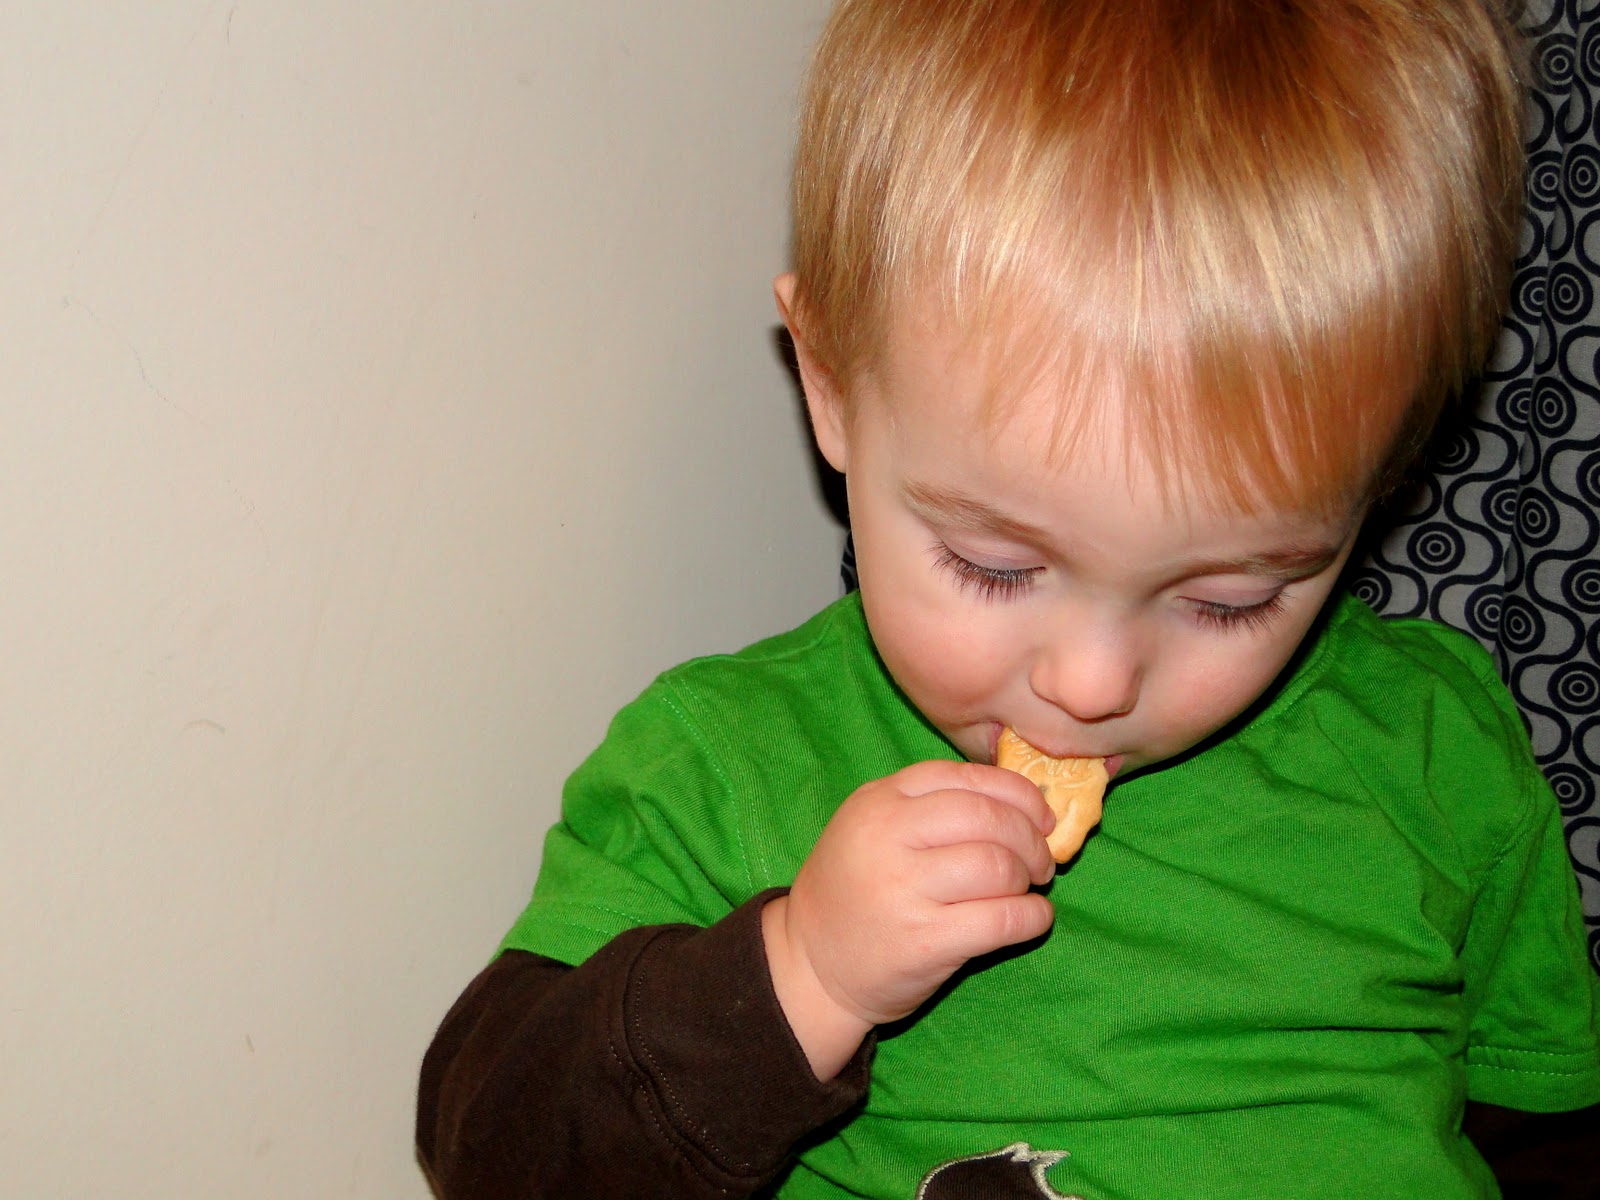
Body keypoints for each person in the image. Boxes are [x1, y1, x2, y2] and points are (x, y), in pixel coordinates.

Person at [416, 2, 1600, 1196]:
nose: (1088, 684)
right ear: (830, 389)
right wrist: (803, 976)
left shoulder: (1437, 751)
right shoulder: (723, 768)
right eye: (994, 565)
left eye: (1233, 597)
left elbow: (1540, 1127)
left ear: (1381, 481)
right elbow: (489, 1153)